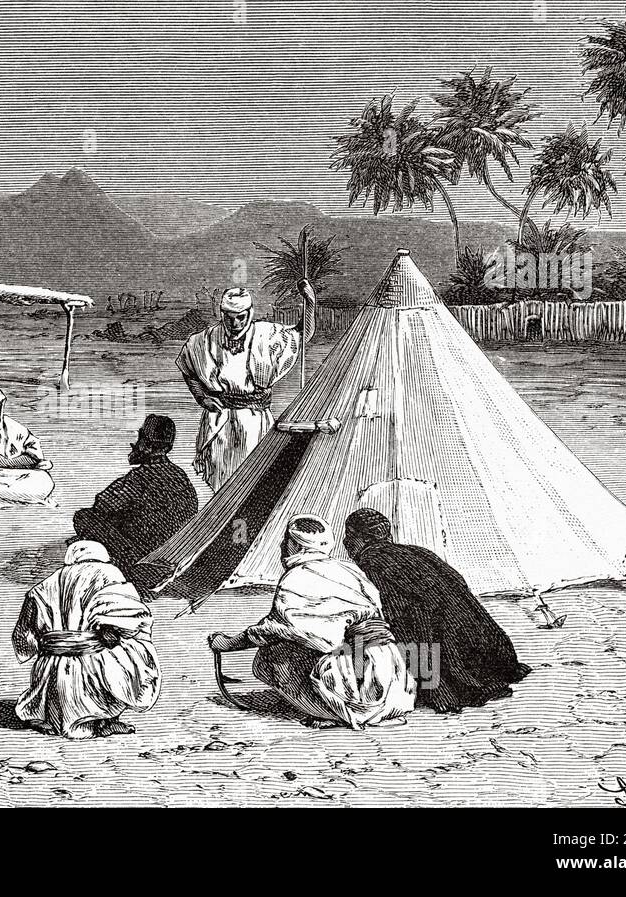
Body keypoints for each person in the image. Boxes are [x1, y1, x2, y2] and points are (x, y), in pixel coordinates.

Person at [208, 515, 416, 729]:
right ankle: (369, 708)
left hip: (363, 683)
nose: (281, 546)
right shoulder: (349, 570)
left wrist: (226, 644)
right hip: (394, 683)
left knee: (269, 656)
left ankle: (332, 712)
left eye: (285, 541)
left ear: (296, 546)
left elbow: (270, 631)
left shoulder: (296, 577)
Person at [342, 508, 532, 714]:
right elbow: (459, 586)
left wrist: (433, 684)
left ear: (357, 539)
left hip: (450, 657)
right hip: (487, 651)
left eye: (349, 536)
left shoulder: (369, 565)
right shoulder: (418, 552)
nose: (345, 543)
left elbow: (405, 622)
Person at [12, 540, 160, 738]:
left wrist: (48, 644)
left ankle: (51, 718)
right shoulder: (109, 574)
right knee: (130, 652)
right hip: (93, 660)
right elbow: (127, 619)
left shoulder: (49, 582)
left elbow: (25, 633)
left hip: (52, 663)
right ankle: (103, 721)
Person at [177, 286, 301, 491]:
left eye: (241, 318)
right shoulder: (205, 339)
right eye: (229, 318)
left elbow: (302, 332)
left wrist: (310, 301)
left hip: (255, 421)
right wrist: (201, 397)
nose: (235, 324)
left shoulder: (267, 335)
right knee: (221, 479)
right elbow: (187, 367)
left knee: (256, 478)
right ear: (222, 314)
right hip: (220, 421)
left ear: (249, 314)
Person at [71, 413, 198, 580]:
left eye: (140, 438)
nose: (135, 445)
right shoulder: (180, 475)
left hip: (142, 553)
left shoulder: (139, 478)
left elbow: (101, 504)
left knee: (83, 517)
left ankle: (130, 566)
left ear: (147, 445)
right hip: (174, 549)